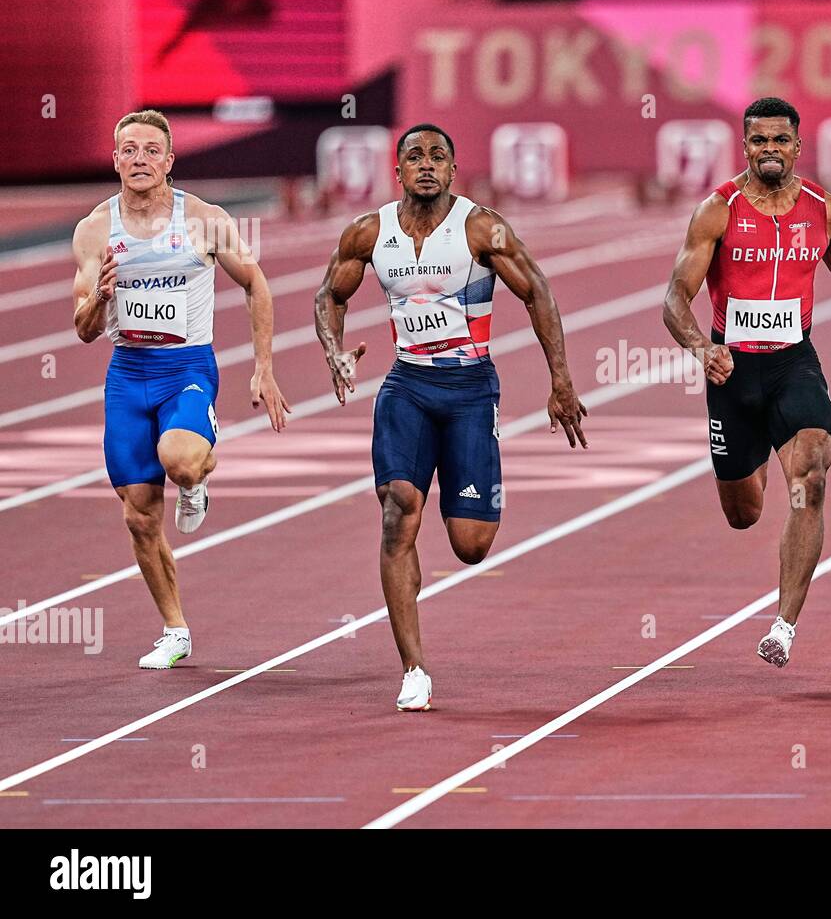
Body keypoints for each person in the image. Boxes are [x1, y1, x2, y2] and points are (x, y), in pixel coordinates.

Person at [315, 123, 588, 711]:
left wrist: (560, 380)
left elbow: (537, 291)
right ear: (398, 172)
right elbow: (328, 297)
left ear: (453, 168)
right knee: (397, 516)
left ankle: (463, 493)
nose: (427, 165)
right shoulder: (369, 233)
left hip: (469, 392)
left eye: (438, 155)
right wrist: (334, 350)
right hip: (406, 388)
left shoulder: (480, 228)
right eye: (414, 156)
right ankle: (413, 668)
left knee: (470, 545)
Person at [663, 97, 831, 669]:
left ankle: (783, 626)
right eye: (758, 141)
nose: (769, 150)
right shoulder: (716, 212)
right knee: (743, 513)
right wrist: (702, 347)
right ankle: (749, 466)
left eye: (780, 140)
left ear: (798, 147)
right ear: (744, 146)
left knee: (812, 476)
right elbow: (676, 295)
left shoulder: (827, 210)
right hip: (733, 373)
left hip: (793, 364)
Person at [72, 109, 290, 670]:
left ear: (170, 160)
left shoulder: (205, 221)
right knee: (139, 516)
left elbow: (256, 282)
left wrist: (263, 367)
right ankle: (175, 628)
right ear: (115, 159)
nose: (139, 159)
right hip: (127, 374)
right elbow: (84, 328)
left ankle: (200, 461)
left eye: (151, 150)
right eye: (128, 150)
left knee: (182, 461)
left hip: (186, 368)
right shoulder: (96, 229)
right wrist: (98, 297)